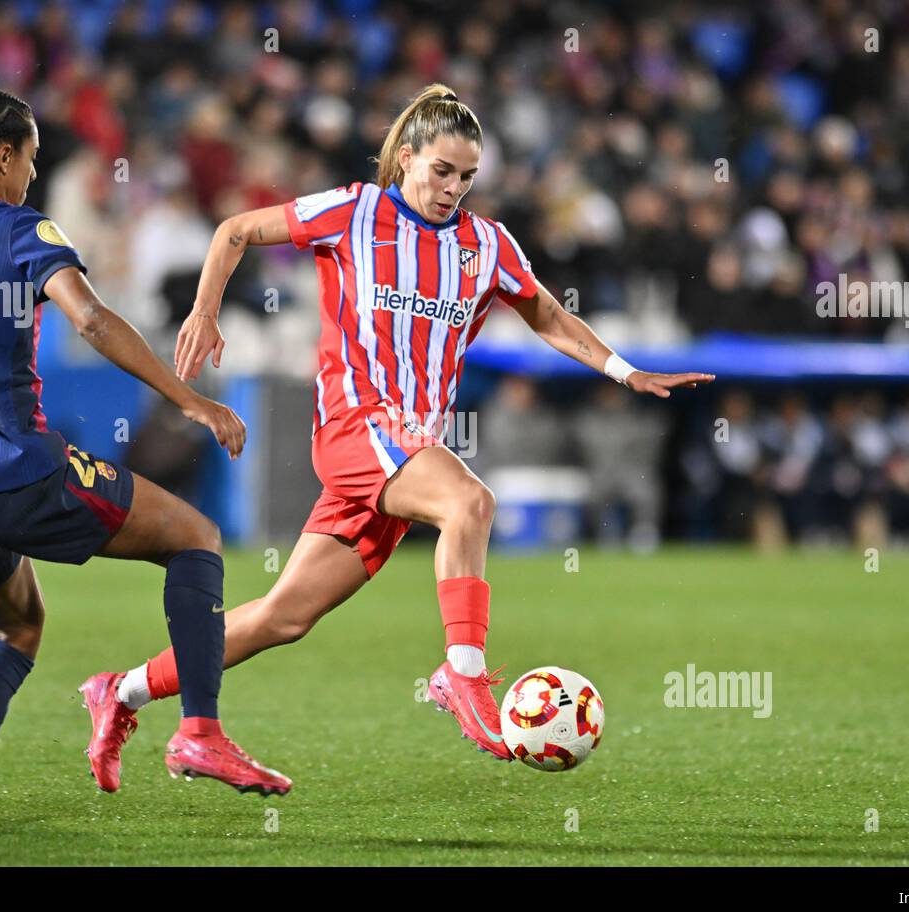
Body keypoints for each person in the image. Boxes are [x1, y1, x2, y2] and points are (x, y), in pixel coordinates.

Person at [83, 84, 713, 785]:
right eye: (442, 171)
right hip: (358, 428)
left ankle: (121, 690)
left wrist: (625, 371)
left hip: (402, 451)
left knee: (283, 618)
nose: (453, 188)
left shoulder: (486, 244)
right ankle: (463, 675)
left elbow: (551, 320)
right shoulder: (353, 211)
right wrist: (205, 311)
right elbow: (235, 230)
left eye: (467, 177)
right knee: (470, 503)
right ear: (407, 158)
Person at [0, 87, 288, 833]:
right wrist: (189, 399)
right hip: (12, 470)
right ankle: (199, 733)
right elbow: (89, 317)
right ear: (1, 156)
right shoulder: (20, 229)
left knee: (16, 631)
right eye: (30, 159)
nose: (32, 175)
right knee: (196, 538)